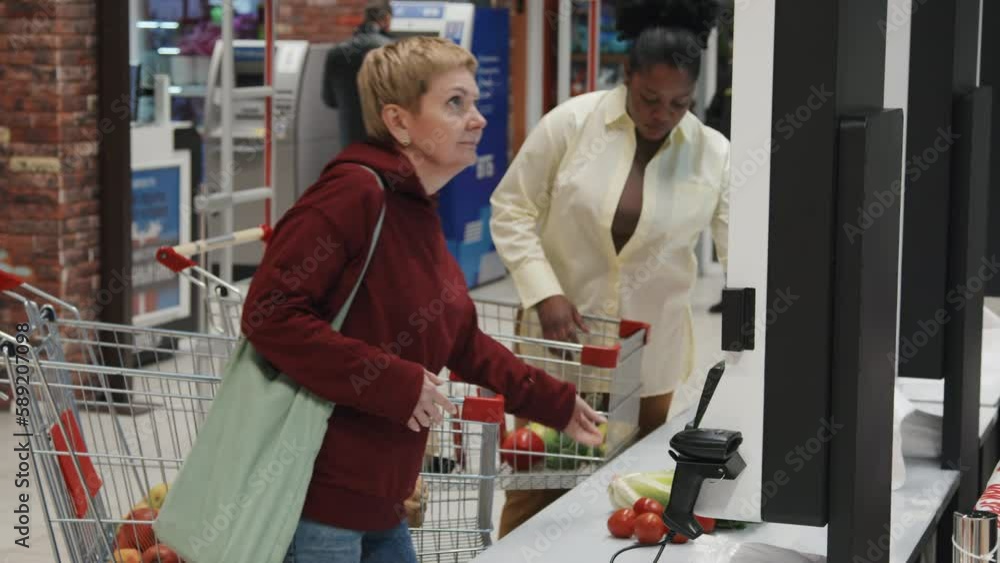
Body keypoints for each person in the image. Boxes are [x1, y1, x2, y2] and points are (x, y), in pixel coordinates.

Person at [242, 36, 606, 563]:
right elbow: (270, 315)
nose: (477, 119)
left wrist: (554, 402)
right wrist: (395, 381)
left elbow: (460, 340)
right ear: (399, 121)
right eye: (455, 103)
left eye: (474, 102)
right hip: (319, 502)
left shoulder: (413, 206)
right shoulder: (350, 196)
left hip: (382, 496)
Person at [489, 0, 729, 536]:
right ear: (627, 76)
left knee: (627, 496)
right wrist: (543, 292)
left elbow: (740, 249)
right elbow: (511, 208)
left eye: (680, 103)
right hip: (559, 348)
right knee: (536, 485)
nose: (662, 114)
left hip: (649, 359)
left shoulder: (713, 153)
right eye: (649, 99)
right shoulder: (571, 124)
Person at [322, 0, 395, 148]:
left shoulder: (336, 52)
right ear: (387, 19)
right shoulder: (391, 50)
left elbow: (329, 100)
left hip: (350, 142)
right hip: (384, 141)